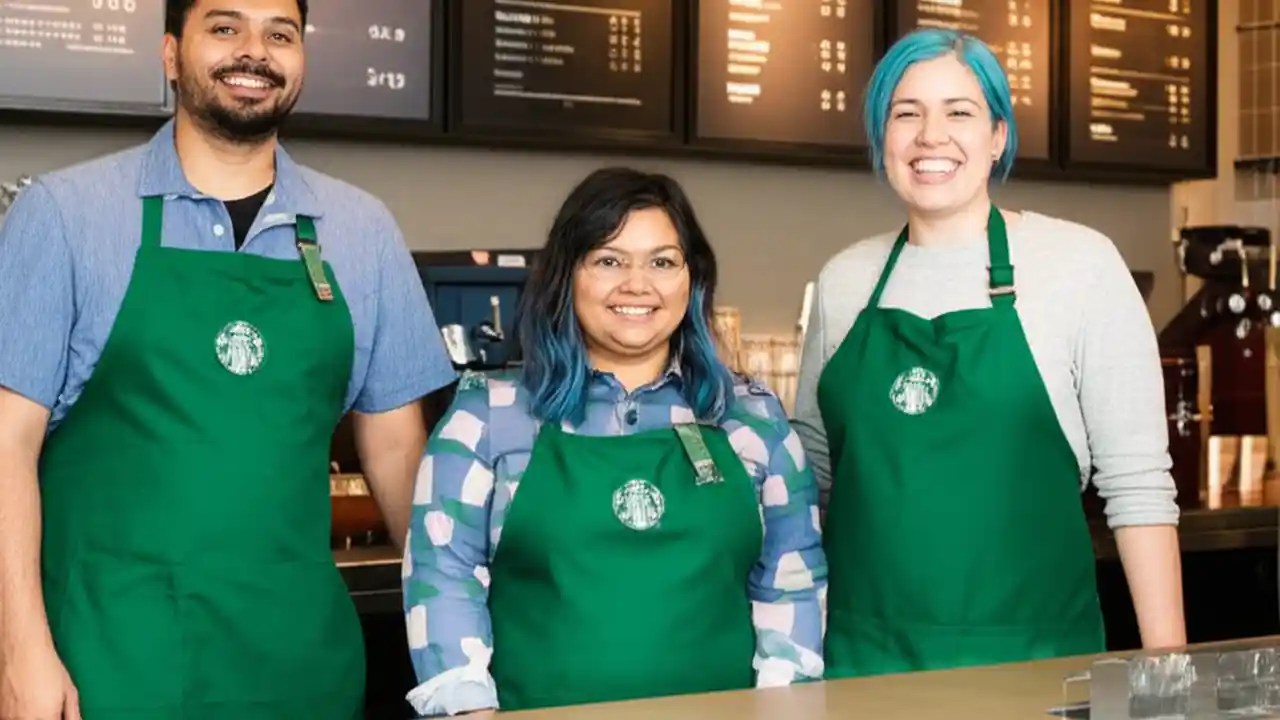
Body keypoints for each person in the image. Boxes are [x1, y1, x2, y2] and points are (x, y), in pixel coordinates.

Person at [0, 0, 456, 718]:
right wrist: (20, 650)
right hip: (109, 663)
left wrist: (459, 637)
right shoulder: (65, 215)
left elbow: (398, 451)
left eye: (281, 34)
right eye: (224, 27)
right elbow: (6, 446)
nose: (255, 51)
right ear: (170, 54)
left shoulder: (362, 231)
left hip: (299, 665)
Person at [792, 29, 1186, 680]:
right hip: (864, 668)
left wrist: (1172, 678)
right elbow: (811, 478)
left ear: (998, 135)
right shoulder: (845, 281)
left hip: (1037, 664)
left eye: (959, 112)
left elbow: (1138, 487)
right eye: (906, 113)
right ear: (881, 138)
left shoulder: (1080, 266)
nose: (930, 136)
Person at [402, 167, 827, 716]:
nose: (637, 284)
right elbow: (443, 577)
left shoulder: (752, 418)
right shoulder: (488, 417)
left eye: (663, 262)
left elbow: (791, 583)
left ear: (692, 279)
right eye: (608, 260)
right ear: (567, 276)